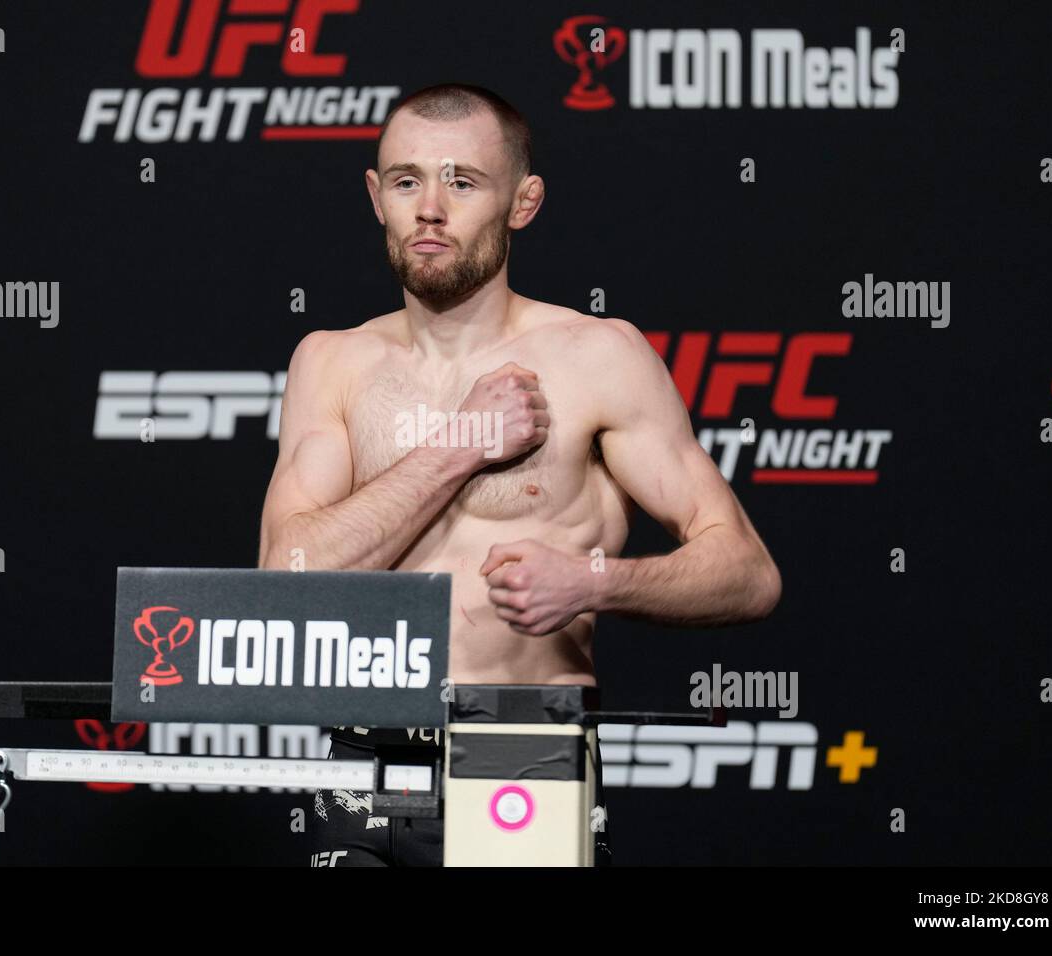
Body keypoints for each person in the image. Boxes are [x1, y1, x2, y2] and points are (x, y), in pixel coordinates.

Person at [257, 83, 781, 866]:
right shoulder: (331, 361)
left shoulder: (599, 357)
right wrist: (462, 442)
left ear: (523, 202)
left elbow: (748, 574)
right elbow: (286, 579)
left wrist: (593, 581)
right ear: (376, 197)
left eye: (462, 182)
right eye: (407, 181)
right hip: (362, 752)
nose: (430, 208)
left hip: (524, 741)